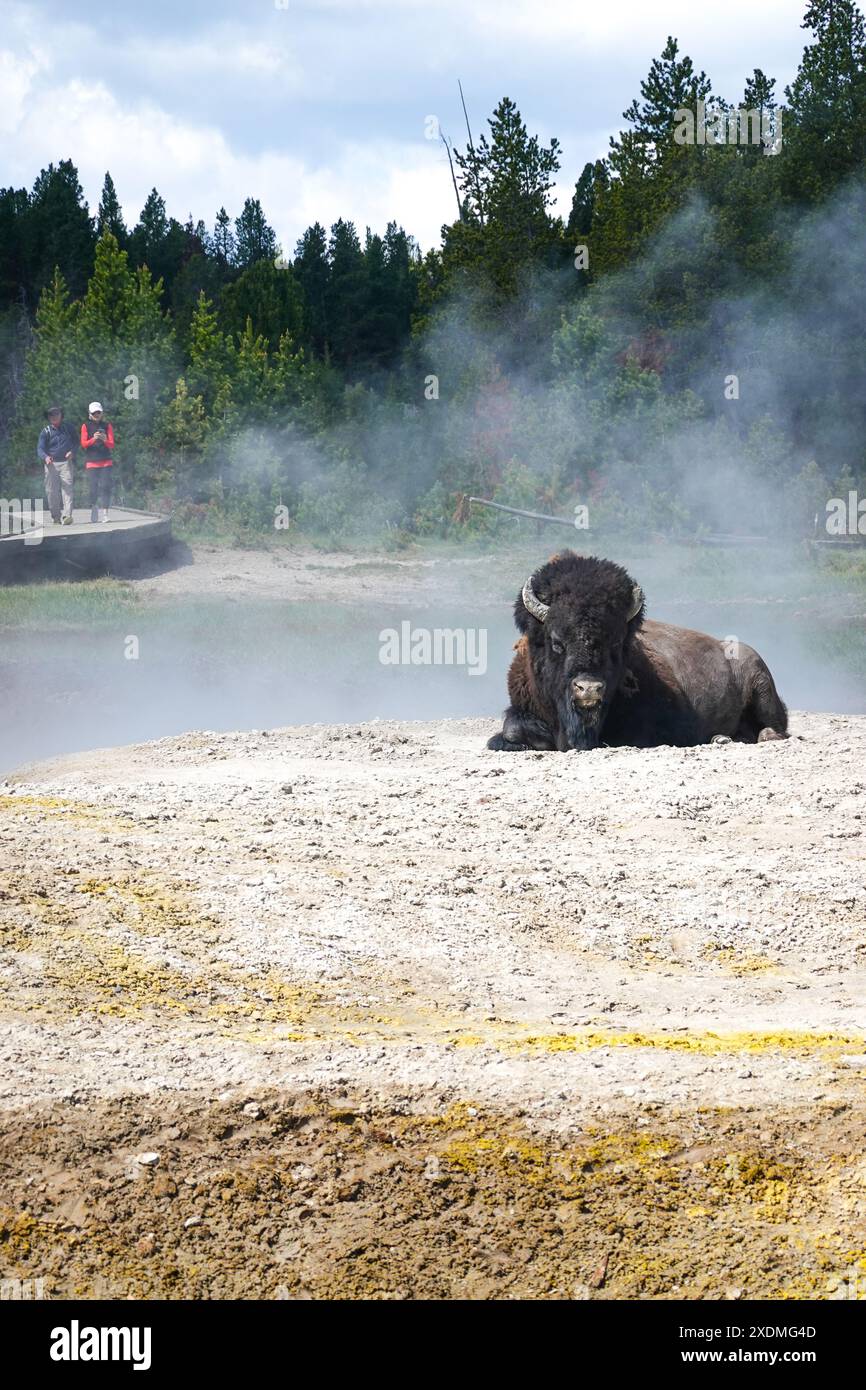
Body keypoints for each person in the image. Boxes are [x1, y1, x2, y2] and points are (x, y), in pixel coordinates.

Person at [37, 405, 76, 524]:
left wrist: (73, 452)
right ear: (48, 417)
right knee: (51, 491)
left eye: (56, 414)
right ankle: (56, 517)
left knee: (68, 488)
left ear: (61, 415)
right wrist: (45, 457)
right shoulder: (46, 431)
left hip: (66, 462)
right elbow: (40, 448)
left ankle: (67, 516)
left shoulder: (68, 428)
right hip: (51, 464)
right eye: (51, 415)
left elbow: (76, 442)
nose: (54, 416)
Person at [81, 402, 115, 523]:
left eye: (98, 412)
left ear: (102, 413)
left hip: (106, 461)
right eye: (94, 413)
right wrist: (93, 439)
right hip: (92, 462)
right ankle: (94, 507)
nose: (97, 415)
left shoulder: (107, 425)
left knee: (106, 486)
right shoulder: (85, 426)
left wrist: (105, 440)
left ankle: (105, 513)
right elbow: (84, 444)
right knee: (93, 488)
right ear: (90, 414)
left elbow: (112, 444)